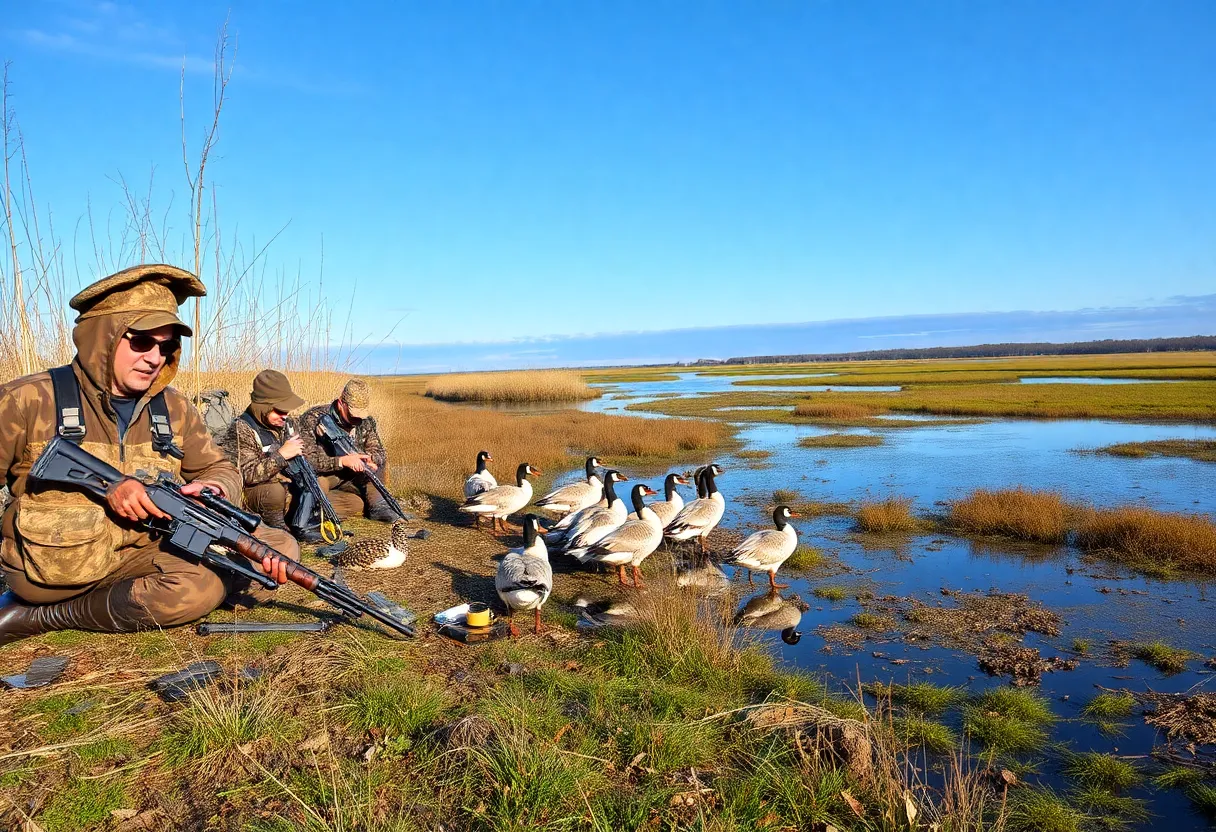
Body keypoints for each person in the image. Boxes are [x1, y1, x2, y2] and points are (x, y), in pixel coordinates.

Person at [0, 265, 300, 647]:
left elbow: (218, 466)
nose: (155, 357)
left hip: (149, 548)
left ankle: (168, 588)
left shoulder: (174, 407)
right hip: (58, 568)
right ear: (103, 337)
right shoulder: (28, 399)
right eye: (141, 341)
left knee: (280, 548)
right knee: (200, 590)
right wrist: (110, 486)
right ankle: (43, 615)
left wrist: (216, 487)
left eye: (166, 345)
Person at [218, 369, 325, 541]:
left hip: (288, 489)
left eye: (287, 411)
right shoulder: (241, 429)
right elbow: (247, 475)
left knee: (319, 483)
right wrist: (282, 455)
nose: (285, 416)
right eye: (279, 411)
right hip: (257, 493)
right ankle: (277, 532)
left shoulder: (289, 424)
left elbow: (308, 458)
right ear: (262, 408)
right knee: (274, 492)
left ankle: (303, 523)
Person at [297, 379, 395, 522]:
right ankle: (311, 511)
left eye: (360, 417)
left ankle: (378, 507)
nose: (357, 421)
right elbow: (307, 461)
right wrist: (342, 461)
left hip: (352, 478)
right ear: (340, 403)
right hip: (325, 476)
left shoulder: (365, 421)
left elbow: (380, 452)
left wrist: (371, 458)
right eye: (352, 416)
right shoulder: (313, 418)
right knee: (317, 484)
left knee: (356, 504)